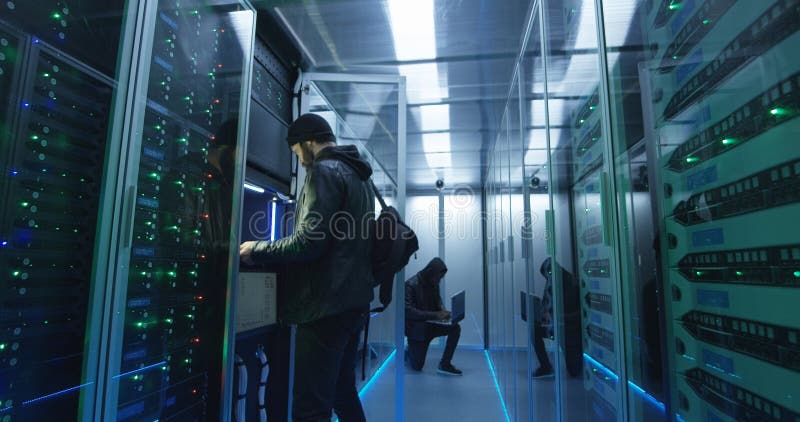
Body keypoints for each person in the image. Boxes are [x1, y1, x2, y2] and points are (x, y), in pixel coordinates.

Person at [240, 113, 375, 422]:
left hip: (324, 308)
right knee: (342, 391)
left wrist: (256, 250)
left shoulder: (324, 171)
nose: (300, 162)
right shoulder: (360, 177)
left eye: (297, 151)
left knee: (310, 408)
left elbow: (308, 242)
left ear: (309, 142)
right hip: (353, 305)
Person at [404, 258, 463, 375]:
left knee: (455, 328)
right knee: (417, 367)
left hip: (432, 325)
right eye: (438, 278)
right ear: (430, 272)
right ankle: (409, 351)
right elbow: (409, 312)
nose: (439, 281)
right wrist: (436, 315)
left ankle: (445, 364)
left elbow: (438, 301)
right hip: (418, 330)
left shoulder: (433, 282)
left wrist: (443, 311)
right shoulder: (410, 285)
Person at [532, 257, 582, 378]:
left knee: (574, 372)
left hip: (568, 327)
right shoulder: (553, 281)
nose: (547, 279)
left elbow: (578, 313)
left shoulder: (570, 284)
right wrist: (544, 313)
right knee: (535, 330)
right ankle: (546, 366)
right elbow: (548, 302)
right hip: (556, 324)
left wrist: (557, 317)